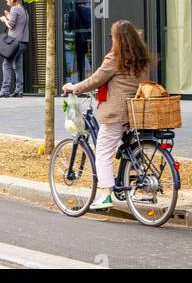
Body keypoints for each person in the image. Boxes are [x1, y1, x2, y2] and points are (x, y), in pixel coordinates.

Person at [63, 19, 154, 211]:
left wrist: (73, 88)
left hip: (117, 112)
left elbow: (96, 80)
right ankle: (132, 173)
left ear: (117, 39)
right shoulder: (141, 58)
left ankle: (105, 195)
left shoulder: (115, 58)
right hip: (135, 110)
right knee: (123, 145)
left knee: (103, 152)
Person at [0, 0, 29, 98]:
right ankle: (19, 90)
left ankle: (5, 90)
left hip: (14, 43)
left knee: (6, 64)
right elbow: (18, 24)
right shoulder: (24, 10)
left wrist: (4, 20)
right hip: (23, 42)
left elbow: (11, 26)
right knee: (18, 66)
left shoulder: (15, 9)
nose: (6, 2)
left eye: (7, 0)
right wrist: (9, 16)